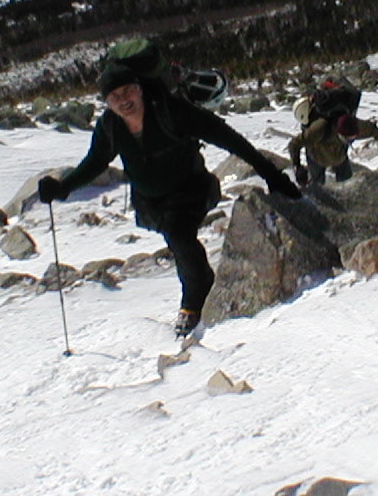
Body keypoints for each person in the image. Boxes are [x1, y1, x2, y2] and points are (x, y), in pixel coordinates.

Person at [31, 60, 301, 338]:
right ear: (107, 103)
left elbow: (229, 139)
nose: (124, 100)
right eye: (115, 96)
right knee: (178, 240)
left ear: (139, 89)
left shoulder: (172, 111)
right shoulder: (110, 127)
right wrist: (63, 187)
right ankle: (201, 288)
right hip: (152, 203)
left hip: (191, 190)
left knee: (180, 235)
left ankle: (195, 300)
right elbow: (95, 162)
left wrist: (273, 175)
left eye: (128, 91)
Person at [288, 103, 378, 186]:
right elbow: (294, 144)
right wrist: (297, 167)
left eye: (353, 139)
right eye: (347, 139)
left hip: (339, 157)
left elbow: (373, 130)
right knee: (317, 187)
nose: (350, 141)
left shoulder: (355, 125)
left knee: (347, 183)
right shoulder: (319, 129)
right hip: (317, 156)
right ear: (338, 132)